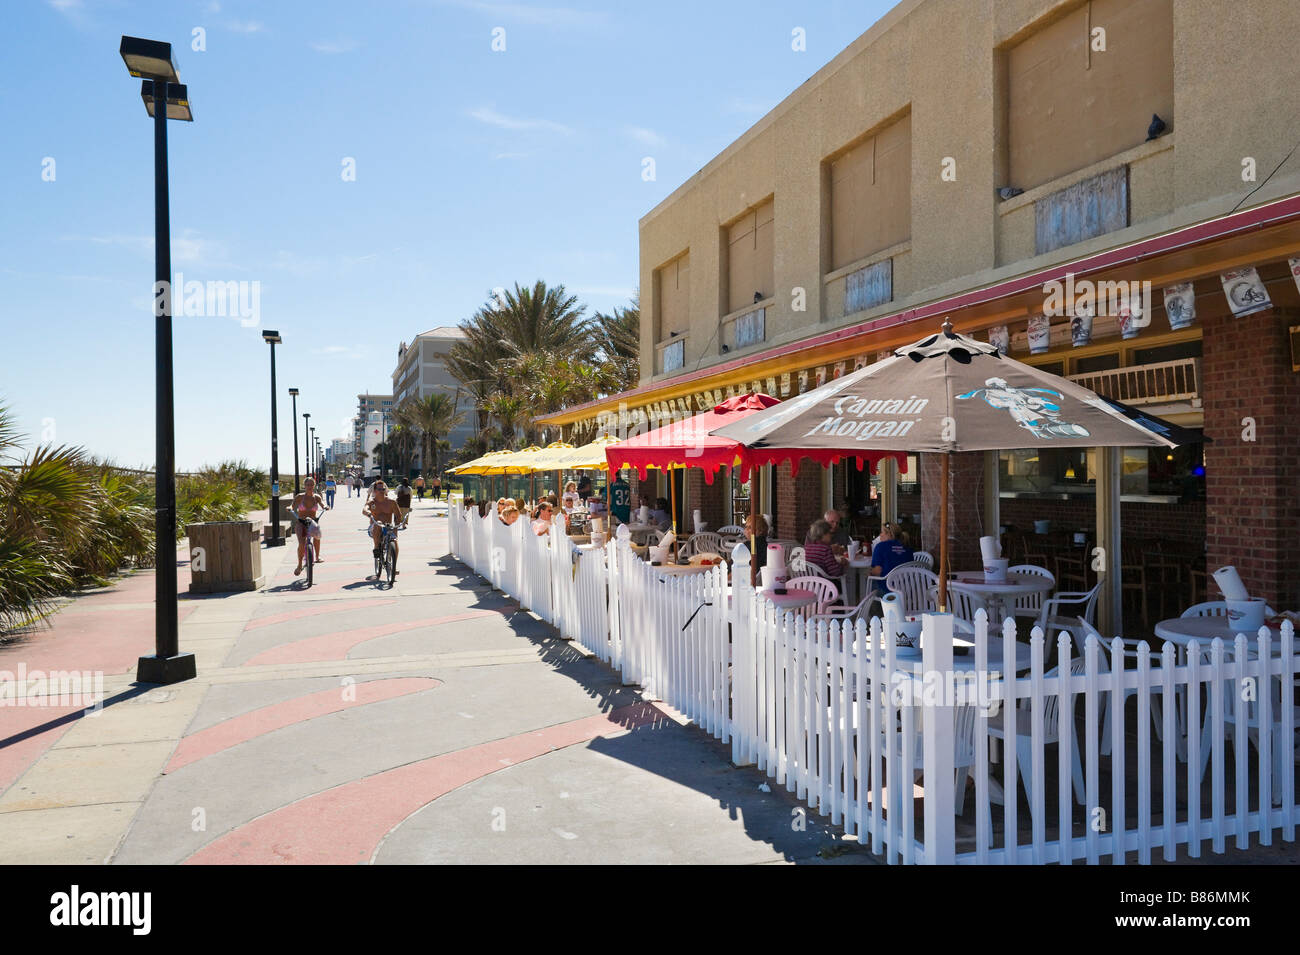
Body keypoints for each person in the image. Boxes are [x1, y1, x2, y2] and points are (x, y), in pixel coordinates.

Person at [363, 480, 405, 575]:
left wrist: (395, 528)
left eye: (383, 489)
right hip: (374, 528)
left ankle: (393, 566)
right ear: (375, 491)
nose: (381, 491)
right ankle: (376, 547)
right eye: (379, 489)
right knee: (378, 522)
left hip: (388, 527)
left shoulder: (391, 502)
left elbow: (398, 516)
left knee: (395, 542)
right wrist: (368, 513)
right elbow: (364, 509)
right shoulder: (371, 502)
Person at [291, 477, 329, 576]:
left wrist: (325, 506)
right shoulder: (300, 496)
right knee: (302, 543)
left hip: (312, 521)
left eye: (311, 485)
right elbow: (292, 505)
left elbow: (322, 503)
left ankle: (317, 556)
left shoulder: (317, 497)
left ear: (314, 485)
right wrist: (289, 508)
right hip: (301, 522)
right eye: (308, 485)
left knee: (317, 535)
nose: (310, 487)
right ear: (304, 486)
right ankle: (299, 565)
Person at [869, 522, 914, 593]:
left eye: (882, 532)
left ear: (889, 534)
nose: (880, 535)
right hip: (905, 588)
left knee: (869, 581)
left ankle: (874, 604)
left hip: (887, 588)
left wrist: (869, 572)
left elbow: (878, 571)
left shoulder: (880, 546)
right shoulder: (907, 547)